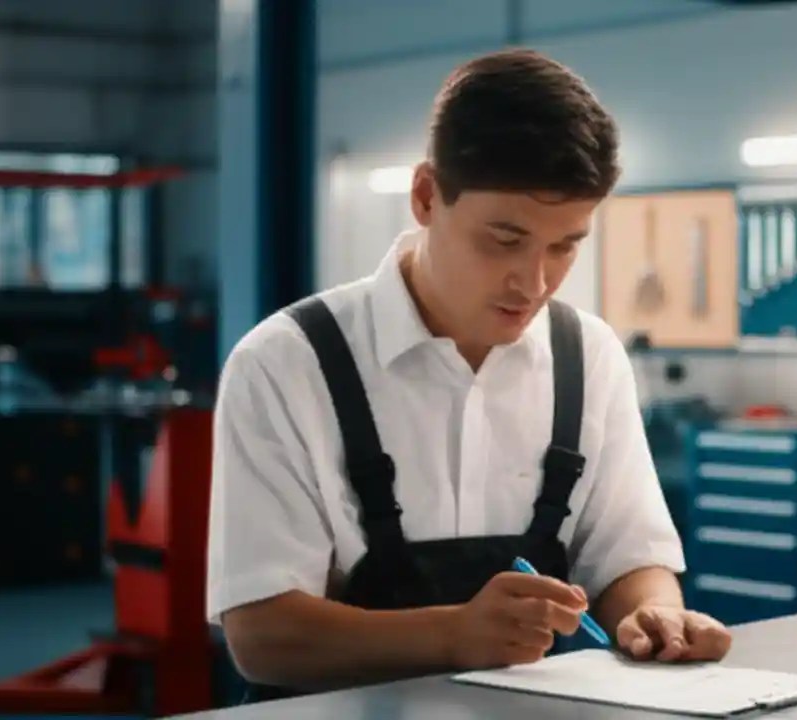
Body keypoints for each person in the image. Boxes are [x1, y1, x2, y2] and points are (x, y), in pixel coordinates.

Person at [206, 48, 730, 700]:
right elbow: (262, 638)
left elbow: (627, 558)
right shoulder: (284, 366)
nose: (534, 282)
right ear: (427, 196)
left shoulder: (590, 358)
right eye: (504, 240)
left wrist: (654, 614)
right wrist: (455, 635)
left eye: (565, 244)